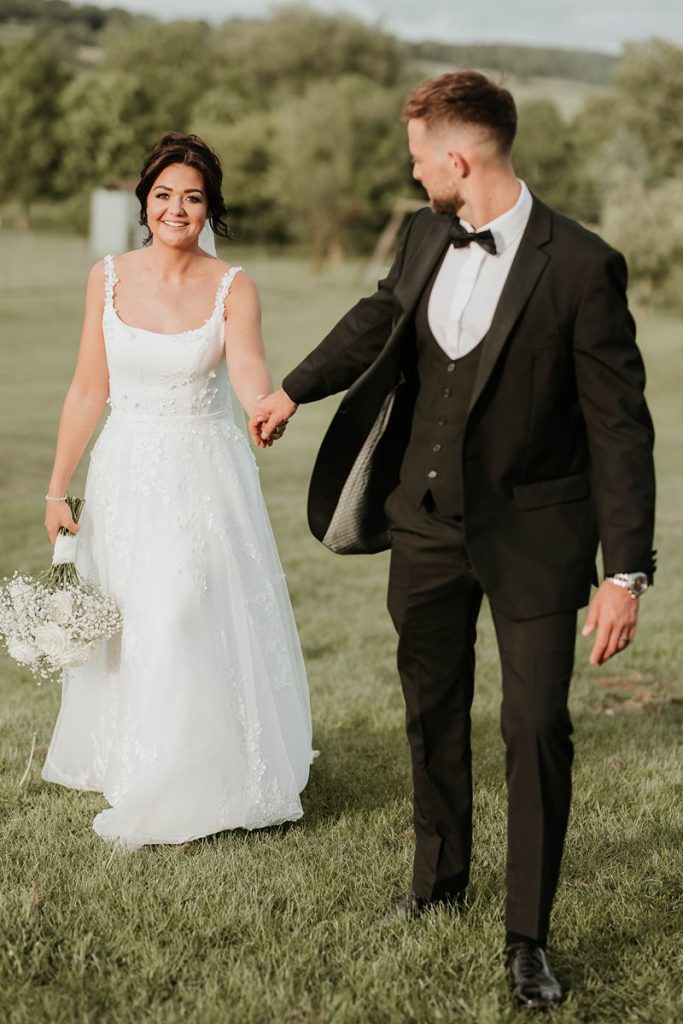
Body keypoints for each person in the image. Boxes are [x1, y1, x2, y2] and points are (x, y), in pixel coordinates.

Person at [251, 73, 656, 1008]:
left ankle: (527, 936)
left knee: (533, 726)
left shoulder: (581, 265)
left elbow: (618, 429)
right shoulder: (425, 231)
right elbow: (379, 318)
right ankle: (437, 885)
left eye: (417, 156)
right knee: (431, 711)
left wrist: (623, 571)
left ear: (457, 159)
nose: (412, 169)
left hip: (537, 540)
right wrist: (292, 390)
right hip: (423, 524)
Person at [42, 133, 314, 848]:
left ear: (209, 210)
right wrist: (55, 489)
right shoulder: (106, 277)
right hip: (127, 470)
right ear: (144, 203)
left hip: (203, 474)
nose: (176, 208)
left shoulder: (234, 286)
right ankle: (145, 763)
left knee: (179, 611)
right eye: (164, 195)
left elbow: (251, 373)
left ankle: (184, 781)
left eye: (192, 197)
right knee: (136, 619)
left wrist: (265, 409)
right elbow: (87, 387)